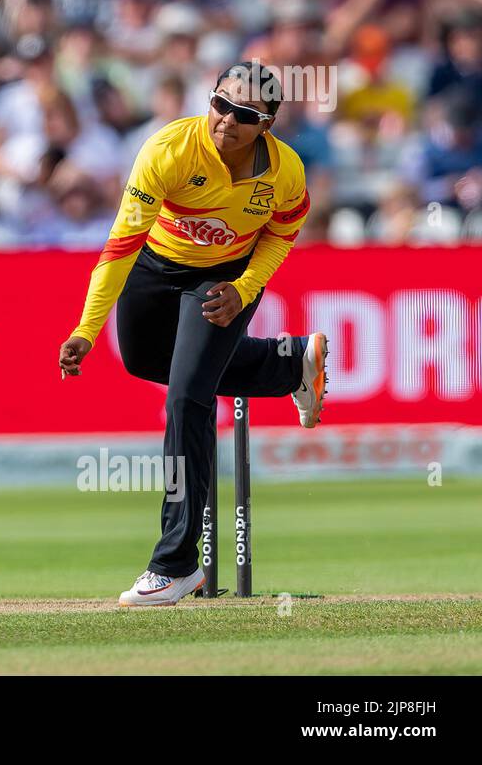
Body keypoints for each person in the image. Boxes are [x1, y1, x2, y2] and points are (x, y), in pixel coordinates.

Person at [58, 62, 329, 607]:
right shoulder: (169, 150)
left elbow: (281, 235)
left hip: (220, 280)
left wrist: (245, 287)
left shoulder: (285, 172)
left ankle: (175, 565)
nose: (226, 120)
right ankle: (289, 364)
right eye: (220, 103)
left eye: (244, 114)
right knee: (143, 362)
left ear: (267, 123)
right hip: (154, 266)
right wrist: (86, 330)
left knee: (186, 399)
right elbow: (119, 246)